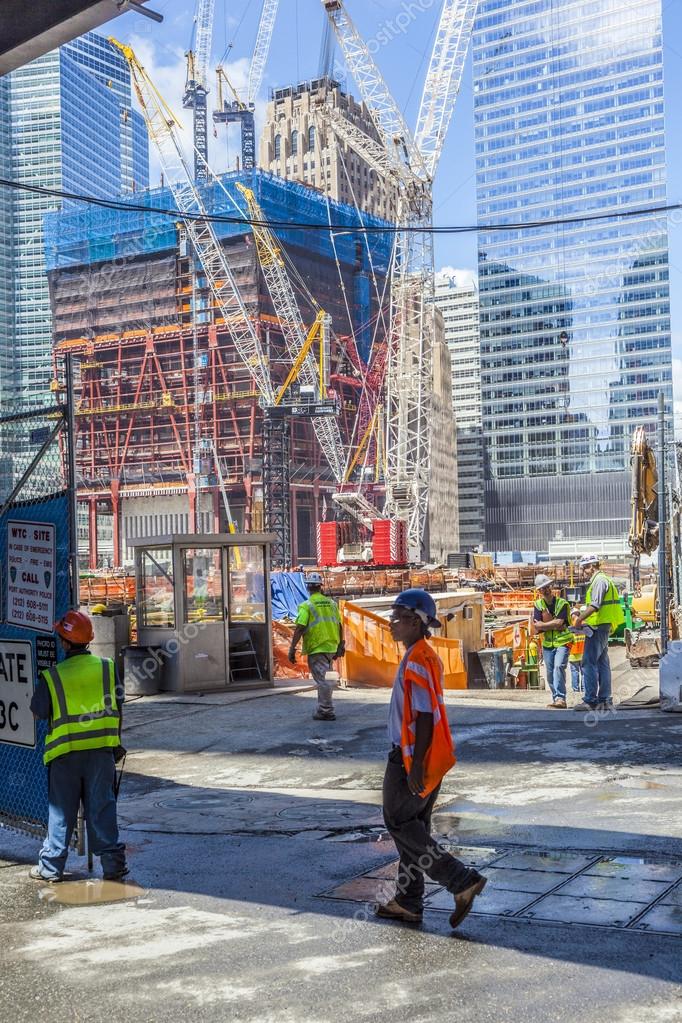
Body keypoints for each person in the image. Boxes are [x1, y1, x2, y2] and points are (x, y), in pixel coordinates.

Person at [376, 588, 487, 929]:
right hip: (420, 757)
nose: (391, 624)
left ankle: (460, 880)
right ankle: (408, 901)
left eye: (397, 618)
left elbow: (424, 715)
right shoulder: (419, 654)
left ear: (414, 621)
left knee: (398, 820)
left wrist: (418, 765)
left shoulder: (420, 657)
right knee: (414, 827)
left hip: (412, 759)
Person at [29, 610, 128, 883]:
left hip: (65, 756)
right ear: (89, 640)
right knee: (103, 809)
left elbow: (38, 711)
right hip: (100, 754)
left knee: (61, 813)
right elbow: (118, 706)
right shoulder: (108, 668)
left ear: (63, 642)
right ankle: (113, 867)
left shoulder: (53, 677)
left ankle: (51, 868)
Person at [571, 556, 625, 712]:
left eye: (584, 568)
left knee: (588, 663)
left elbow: (595, 605)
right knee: (602, 663)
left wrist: (579, 619)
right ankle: (605, 700)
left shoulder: (599, 581)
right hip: (601, 625)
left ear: (591, 567)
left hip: (597, 627)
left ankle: (590, 700)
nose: (584, 572)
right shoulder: (601, 580)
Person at [288, 572, 344, 721]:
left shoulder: (306, 606)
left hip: (317, 647)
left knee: (323, 680)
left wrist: (292, 648)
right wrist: (341, 645)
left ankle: (326, 711)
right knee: (327, 679)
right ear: (320, 587)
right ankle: (324, 708)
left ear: (308, 587)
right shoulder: (332, 604)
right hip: (331, 647)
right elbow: (339, 625)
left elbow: (300, 627)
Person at [532, 574, 573, 709]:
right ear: (539, 591)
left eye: (547, 587)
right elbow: (537, 626)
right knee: (550, 672)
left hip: (563, 641)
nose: (546, 590)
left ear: (551, 587)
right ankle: (556, 697)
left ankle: (561, 698)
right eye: (542, 588)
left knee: (558, 667)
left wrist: (545, 624)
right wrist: (553, 624)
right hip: (548, 644)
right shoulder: (538, 605)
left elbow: (560, 622)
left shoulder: (562, 604)